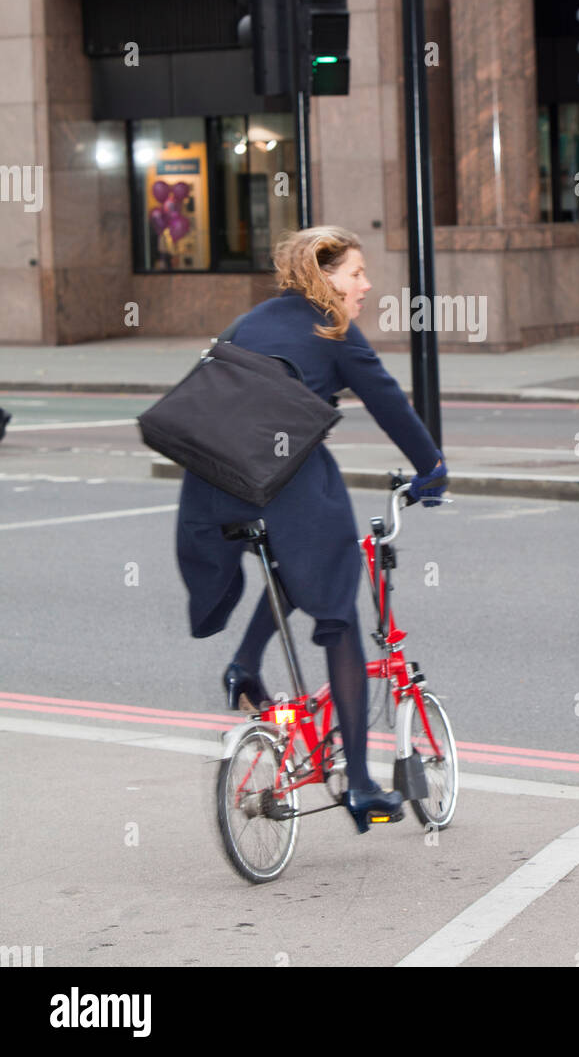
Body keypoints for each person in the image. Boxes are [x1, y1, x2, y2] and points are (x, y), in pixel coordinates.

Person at [175, 226, 448, 834]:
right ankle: (359, 780)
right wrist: (431, 467)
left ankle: (243, 666)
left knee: (297, 566)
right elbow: (388, 402)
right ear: (324, 277)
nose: (366, 285)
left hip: (216, 485)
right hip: (286, 476)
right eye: (355, 273)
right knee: (339, 613)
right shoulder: (333, 330)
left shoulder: (248, 321)